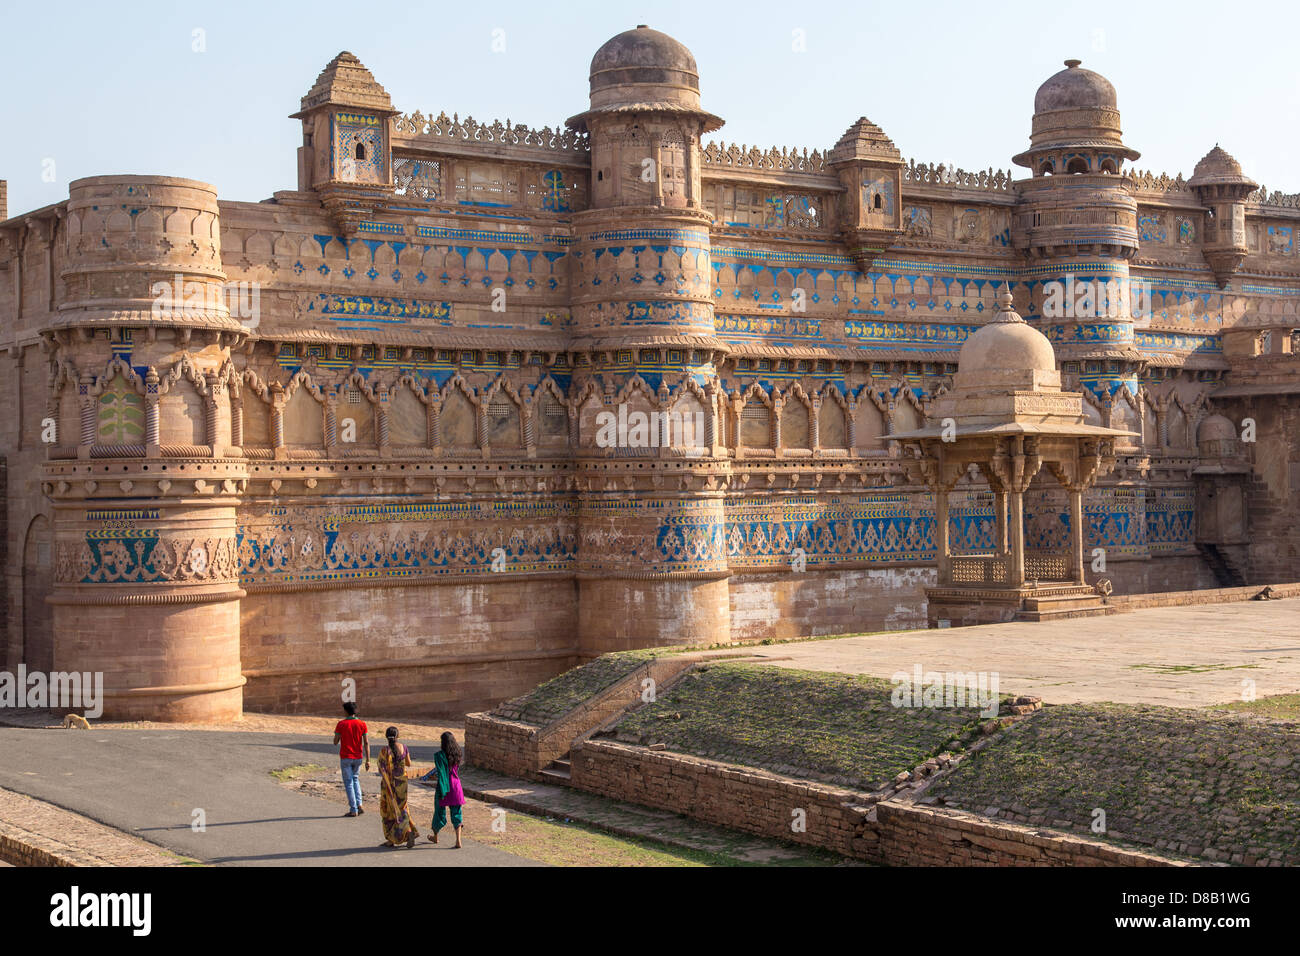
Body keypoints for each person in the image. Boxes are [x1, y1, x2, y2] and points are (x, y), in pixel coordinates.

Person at [377, 726, 419, 848]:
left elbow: (381, 769)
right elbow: (409, 763)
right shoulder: (404, 747)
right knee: (402, 809)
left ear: (386, 736)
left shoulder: (384, 751)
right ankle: (409, 832)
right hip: (402, 784)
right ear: (398, 736)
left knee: (389, 812)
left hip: (389, 786)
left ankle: (391, 839)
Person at [423, 731, 465, 848]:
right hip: (456, 786)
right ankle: (458, 841)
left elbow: (441, 772)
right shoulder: (458, 754)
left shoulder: (440, 756)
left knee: (439, 812)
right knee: (457, 813)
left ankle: (435, 837)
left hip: (443, 786)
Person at [333, 701, 369, 817]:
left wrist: (339, 736)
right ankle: (359, 804)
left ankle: (353, 809)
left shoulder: (341, 724)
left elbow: (335, 741)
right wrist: (368, 760)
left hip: (346, 757)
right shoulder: (362, 724)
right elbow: (366, 743)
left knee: (348, 783)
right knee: (355, 779)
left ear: (346, 711)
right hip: (358, 757)